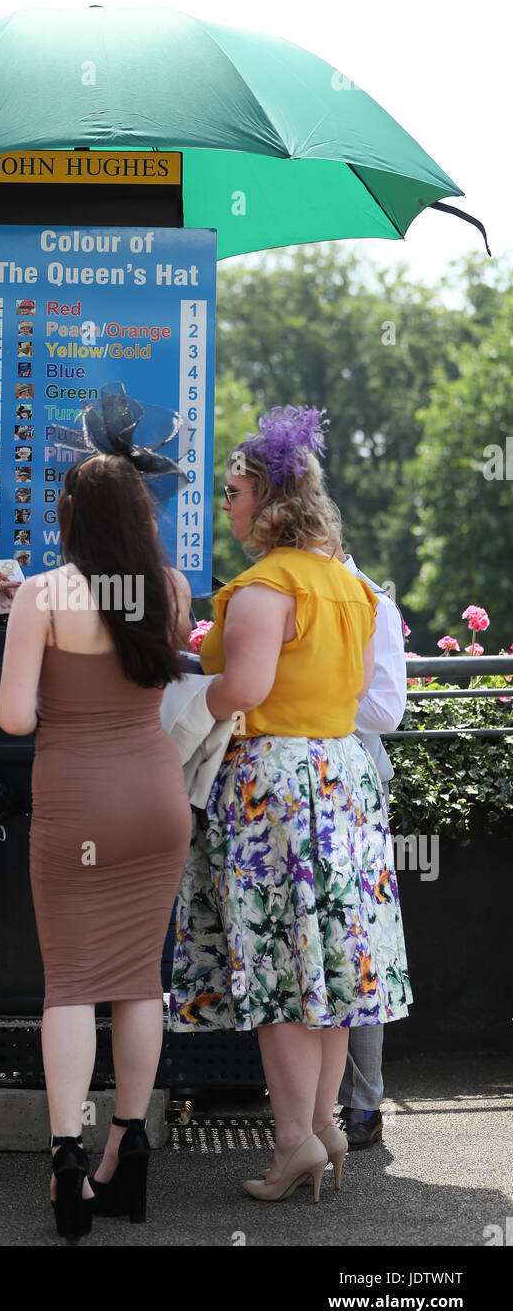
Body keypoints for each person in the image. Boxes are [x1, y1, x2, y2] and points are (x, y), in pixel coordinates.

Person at [170, 406, 411, 1203]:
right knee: (332, 966)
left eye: (235, 490)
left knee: (277, 974)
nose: (227, 503)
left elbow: (243, 691)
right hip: (343, 777)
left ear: (270, 500)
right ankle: (324, 1125)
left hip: (275, 782)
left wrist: (181, 690)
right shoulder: (351, 586)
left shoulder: (264, 585)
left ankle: (290, 1144)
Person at [0, 451, 192, 1241]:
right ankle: (129, 1149)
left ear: (71, 515)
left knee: (72, 983)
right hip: (156, 797)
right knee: (140, 981)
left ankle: (68, 1159)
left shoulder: (44, 595)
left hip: (77, 802)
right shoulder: (172, 590)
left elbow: (13, 718)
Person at [334, 544, 407, 1151]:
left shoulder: (371, 604)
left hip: (352, 784)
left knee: (356, 942)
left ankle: (363, 1103)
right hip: (299, 783)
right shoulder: (292, 594)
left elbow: (387, 710)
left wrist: (312, 694)